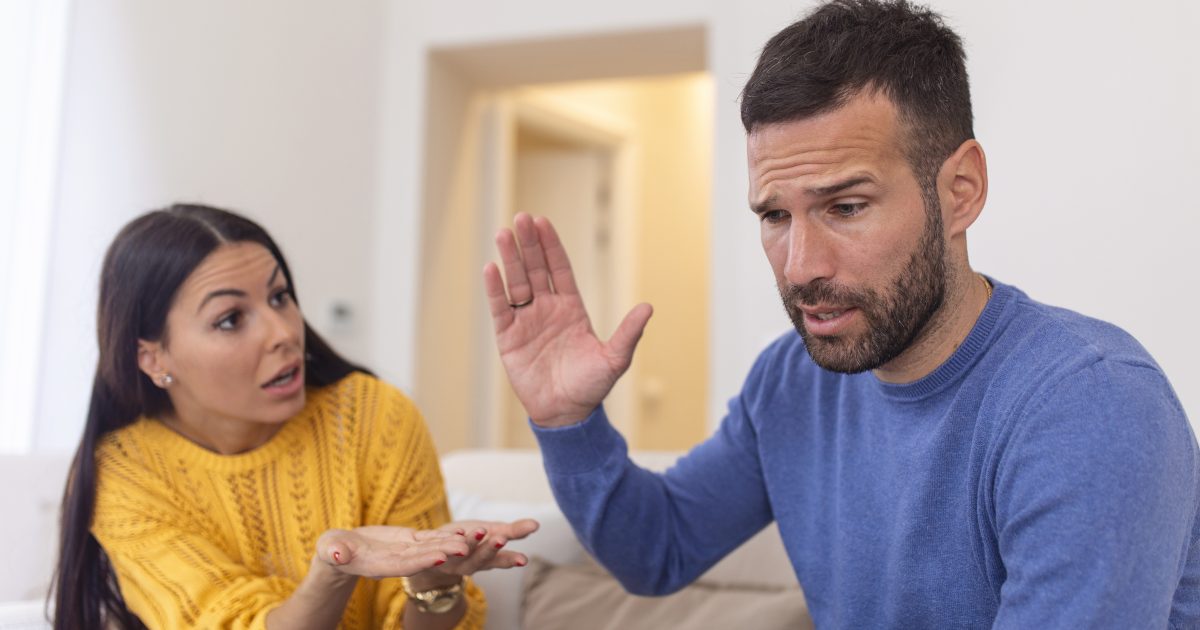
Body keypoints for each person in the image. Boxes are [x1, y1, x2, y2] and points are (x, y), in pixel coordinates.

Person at [482, 1, 1200, 627]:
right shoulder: (793, 380)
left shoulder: (1089, 402)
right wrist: (566, 421)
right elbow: (658, 552)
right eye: (773, 215)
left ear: (961, 190)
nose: (799, 267)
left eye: (845, 207)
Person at [53, 204, 537, 630]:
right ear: (154, 358)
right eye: (230, 319)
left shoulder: (373, 418)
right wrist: (334, 575)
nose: (284, 332)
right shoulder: (124, 473)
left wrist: (432, 581)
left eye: (279, 297)